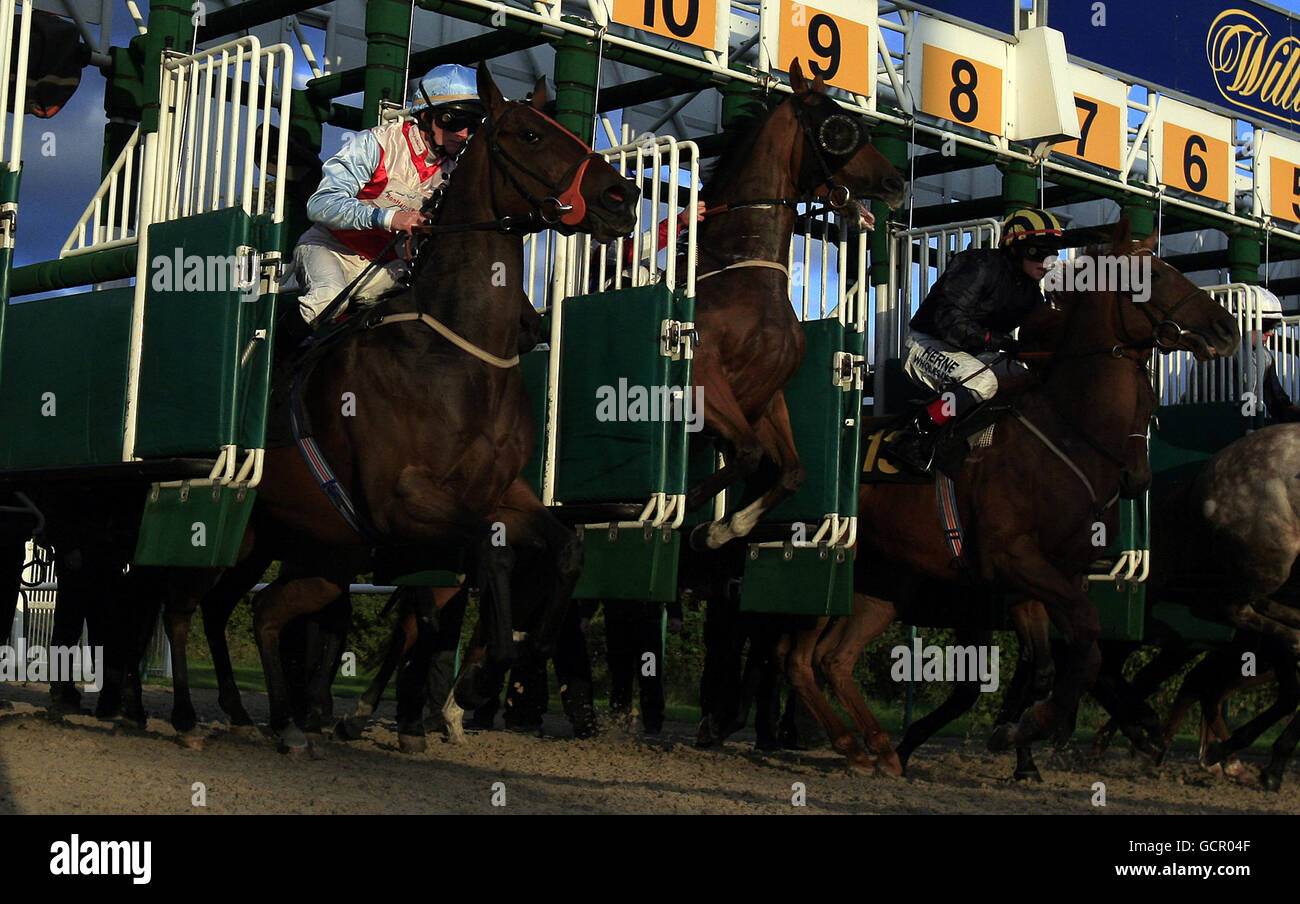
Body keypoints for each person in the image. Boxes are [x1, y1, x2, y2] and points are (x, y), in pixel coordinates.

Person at [290, 63, 485, 326]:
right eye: (455, 121)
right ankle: (278, 358)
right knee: (328, 300)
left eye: (471, 125)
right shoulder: (377, 142)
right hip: (329, 248)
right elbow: (321, 204)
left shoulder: (458, 172)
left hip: (386, 268)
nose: (463, 135)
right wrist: (391, 218)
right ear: (426, 117)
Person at [887, 208, 1069, 472]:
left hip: (973, 353)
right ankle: (915, 434)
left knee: (1028, 382)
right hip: (926, 344)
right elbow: (947, 319)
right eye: (1037, 252)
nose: (1047, 261)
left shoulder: (1031, 293)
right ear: (1015, 248)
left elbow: (1042, 333)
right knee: (982, 383)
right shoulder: (979, 265)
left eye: (1053, 254)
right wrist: (997, 341)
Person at [1234, 288, 1300, 425]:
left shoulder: (1265, 357)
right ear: (1243, 323)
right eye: (1265, 326)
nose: (1270, 333)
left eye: (1273, 327)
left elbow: (1277, 401)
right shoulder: (1221, 355)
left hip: (1251, 419)